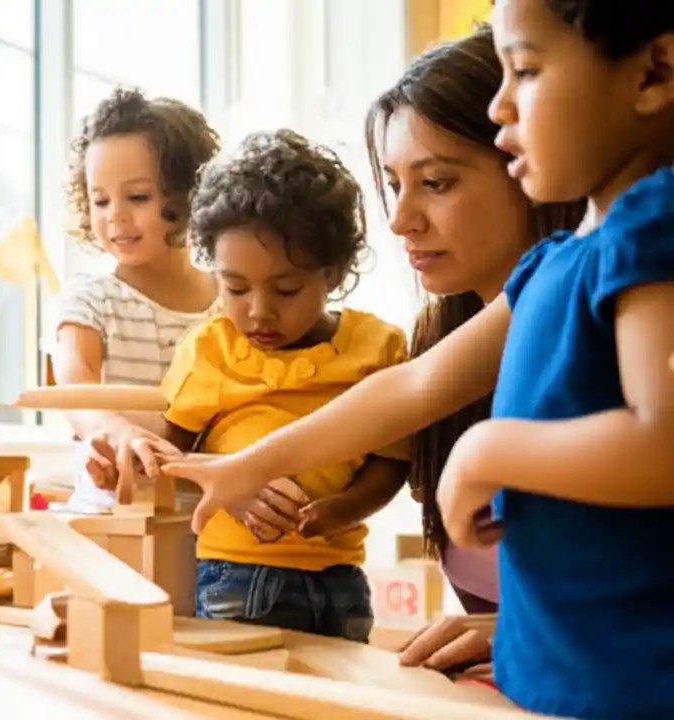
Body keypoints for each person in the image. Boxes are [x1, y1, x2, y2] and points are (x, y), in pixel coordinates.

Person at [163, 1, 674, 715]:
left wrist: (488, 451)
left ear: (654, 72)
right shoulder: (556, 266)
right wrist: (250, 464)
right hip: (556, 680)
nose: (504, 108)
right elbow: (414, 386)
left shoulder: (647, 234)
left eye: (524, 71)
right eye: (396, 183)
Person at [233, 24, 583, 678]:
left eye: (438, 183)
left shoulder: (610, 319)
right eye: (394, 184)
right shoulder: (435, 337)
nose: (400, 220)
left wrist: (526, 628)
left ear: (529, 157)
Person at [133, 129, 412, 641]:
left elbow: (392, 460)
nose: (258, 310)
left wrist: (340, 511)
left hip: (340, 578)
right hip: (236, 576)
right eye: (235, 287)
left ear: (334, 272)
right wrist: (231, 485)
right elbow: (166, 456)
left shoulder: (378, 348)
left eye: (286, 289)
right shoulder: (209, 349)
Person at [52, 86, 220, 512]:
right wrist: (111, 432)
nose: (115, 216)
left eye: (138, 197)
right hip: (111, 512)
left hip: (208, 519)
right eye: (100, 199)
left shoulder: (230, 302)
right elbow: (74, 389)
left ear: (189, 196)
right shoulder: (90, 299)